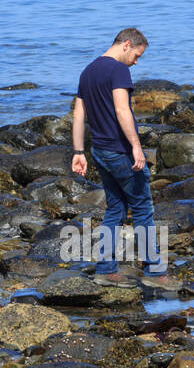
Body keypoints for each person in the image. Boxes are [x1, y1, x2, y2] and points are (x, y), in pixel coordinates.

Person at [71, 28, 179, 291]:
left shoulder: (88, 71)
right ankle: (155, 270)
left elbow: (78, 114)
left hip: (99, 151)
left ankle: (105, 270)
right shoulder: (118, 70)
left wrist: (78, 152)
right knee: (142, 208)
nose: (136, 61)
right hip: (119, 152)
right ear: (127, 45)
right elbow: (122, 109)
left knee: (116, 209)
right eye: (137, 55)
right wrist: (136, 147)